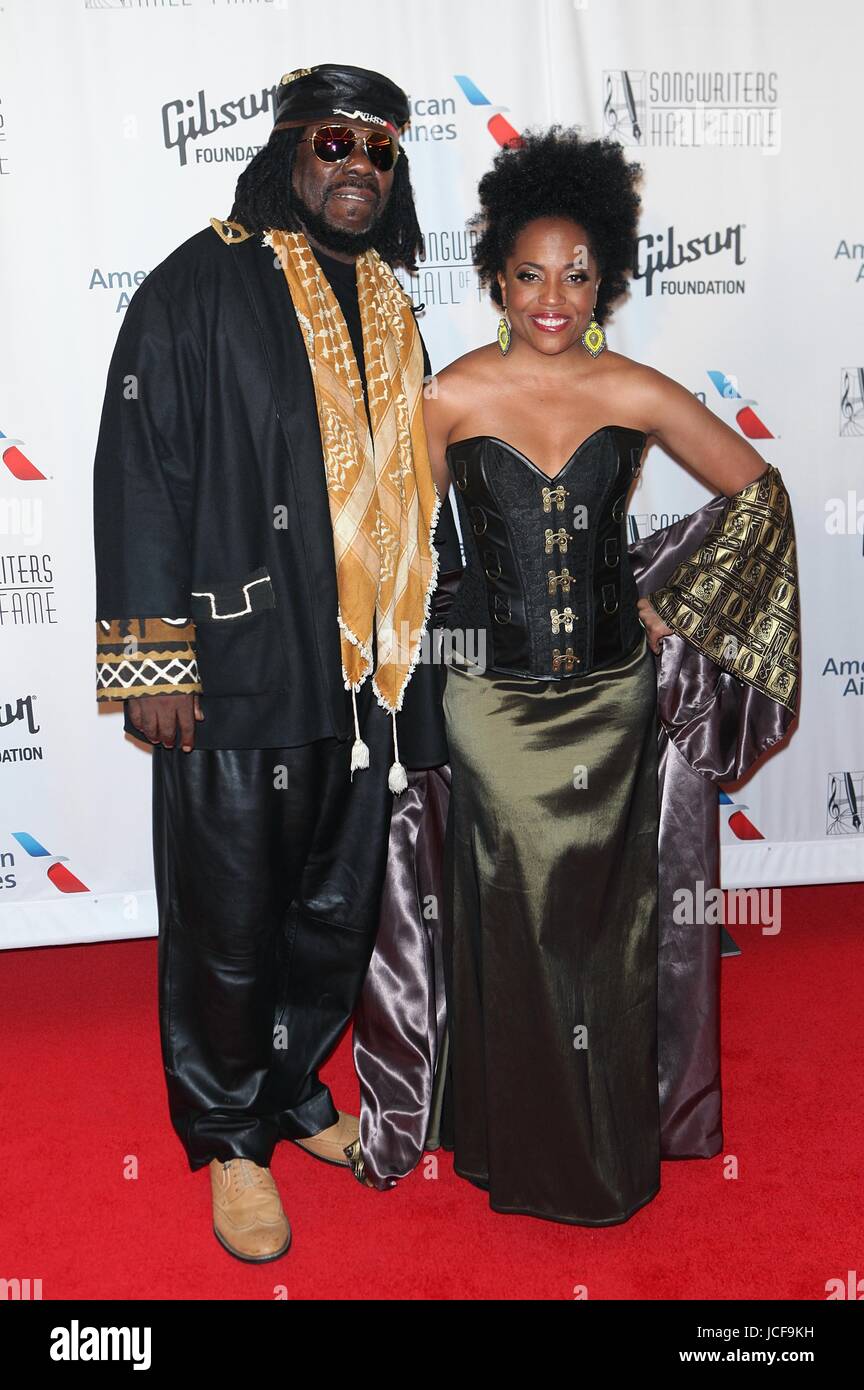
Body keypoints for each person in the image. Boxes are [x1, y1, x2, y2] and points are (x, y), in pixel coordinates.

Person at [351, 127, 800, 1223]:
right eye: (531, 274)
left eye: (578, 273)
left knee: (606, 926)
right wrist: (432, 627)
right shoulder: (450, 395)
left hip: (612, 700)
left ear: (607, 275)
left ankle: (603, 1144)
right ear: (498, 277)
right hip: (493, 706)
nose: (554, 297)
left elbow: (761, 493)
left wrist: (671, 603)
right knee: (512, 920)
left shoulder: (635, 388)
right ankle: (520, 1145)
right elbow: (384, 543)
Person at [92, 63, 451, 1260]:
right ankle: (232, 1138)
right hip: (236, 665)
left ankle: (291, 1087)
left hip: (362, 682)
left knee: (335, 905)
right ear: (289, 148)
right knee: (228, 914)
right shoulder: (199, 285)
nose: (358, 166)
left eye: (381, 151)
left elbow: (423, 496)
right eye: (335, 141)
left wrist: (436, 659)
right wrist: (154, 667)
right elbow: (140, 471)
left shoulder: (396, 307)